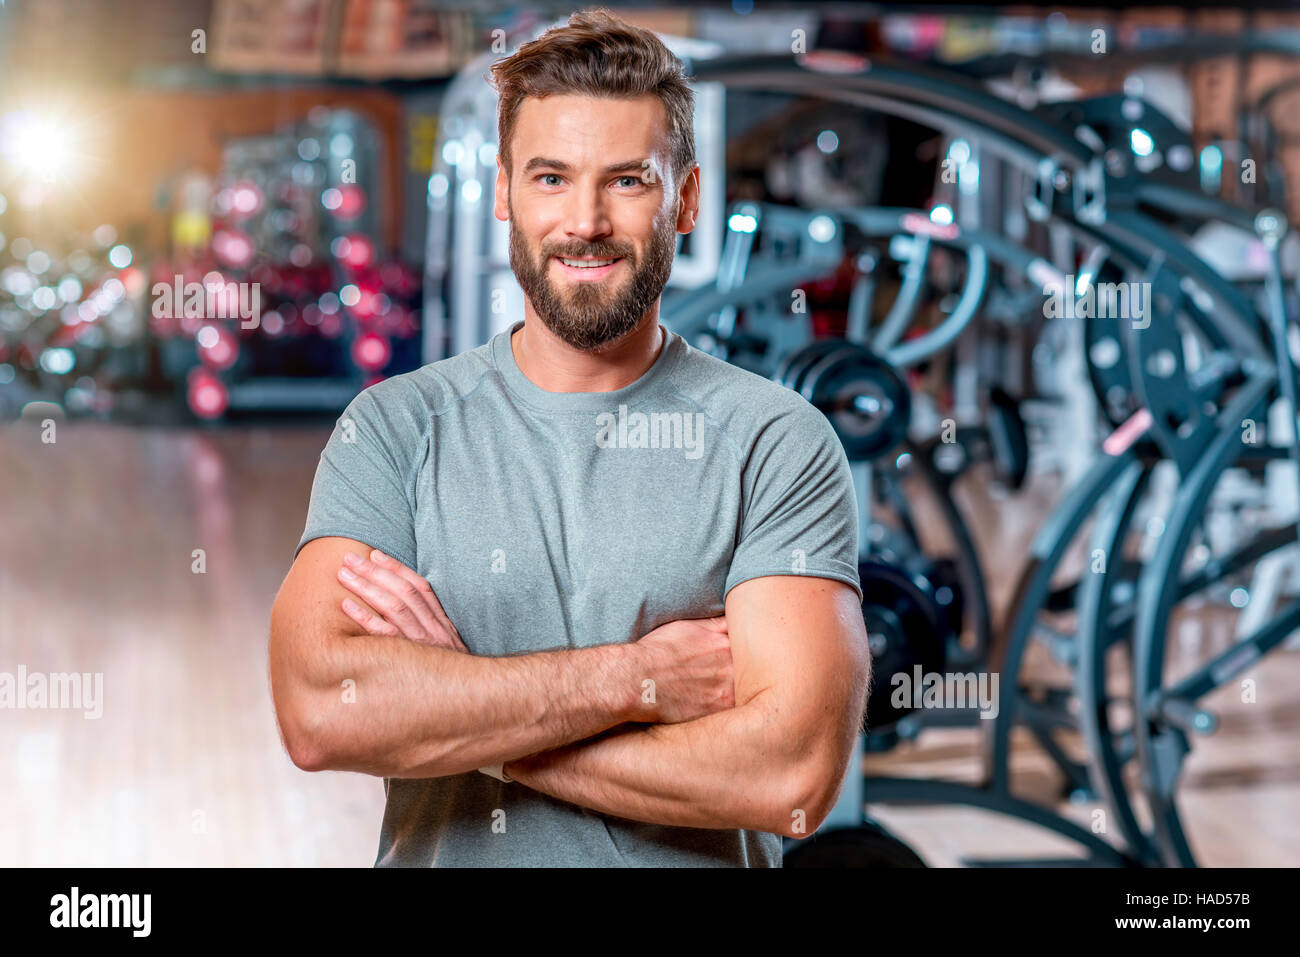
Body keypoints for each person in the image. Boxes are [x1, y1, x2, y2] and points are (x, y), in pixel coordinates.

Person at [269, 6, 868, 868]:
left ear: (686, 198)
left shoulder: (775, 443)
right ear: (506, 191)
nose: (584, 221)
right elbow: (322, 712)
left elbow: (791, 777)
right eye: (551, 178)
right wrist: (635, 678)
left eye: (628, 180)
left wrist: (470, 711)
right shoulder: (395, 429)